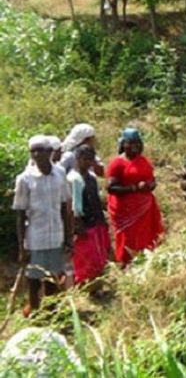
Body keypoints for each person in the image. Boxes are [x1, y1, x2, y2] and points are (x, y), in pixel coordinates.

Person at [14, 135, 72, 314]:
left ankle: (51, 315)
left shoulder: (60, 174)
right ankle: (35, 317)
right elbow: (20, 213)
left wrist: (69, 238)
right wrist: (22, 248)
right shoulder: (24, 179)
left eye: (40, 150)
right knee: (33, 280)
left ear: (50, 152)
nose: (36, 154)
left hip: (56, 237)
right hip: (35, 239)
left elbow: (65, 207)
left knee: (53, 280)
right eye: (33, 151)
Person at [107, 128, 164, 266]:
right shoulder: (117, 163)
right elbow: (111, 188)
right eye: (131, 143)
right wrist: (134, 188)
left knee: (146, 238)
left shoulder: (144, 161)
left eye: (137, 143)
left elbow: (152, 182)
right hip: (126, 212)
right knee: (128, 241)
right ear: (123, 144)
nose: (135, 146)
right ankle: (127, 266)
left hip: (145, 210)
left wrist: (149, 186)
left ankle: (145, 264)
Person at [68, 145, 110, 285]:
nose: (87, 162)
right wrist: (79, 226)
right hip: (84, 223)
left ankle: (96, 284)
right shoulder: (74, 179)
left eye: (90, 159)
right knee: (85, 257)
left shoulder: (91, 177)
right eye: (84, 159)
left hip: (95, 221)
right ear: (77, 159)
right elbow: (75, 205)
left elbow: (96, 199)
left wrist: (102, 219)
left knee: (98, 255)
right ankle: (85, 285)